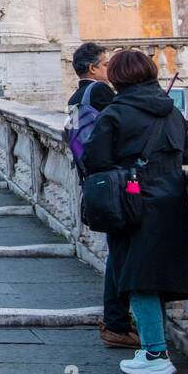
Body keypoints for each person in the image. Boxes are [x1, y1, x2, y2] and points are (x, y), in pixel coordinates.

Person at [82, 49, 188, 374]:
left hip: (133, 201)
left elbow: (95, 159)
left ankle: (155, 353)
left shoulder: (115, 112)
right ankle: (153, 345)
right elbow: (187, 154)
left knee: (139, 278)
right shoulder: (172, 112)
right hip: (170, 198)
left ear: (118, 78)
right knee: (155, 275)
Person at [67, 41, 133, 349]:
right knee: (120, 254)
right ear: (93, 68)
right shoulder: (101, 93)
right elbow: (119, 131)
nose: (109, 69)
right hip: (113, 179)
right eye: (105, 64)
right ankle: (116, 321)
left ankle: (118, 320)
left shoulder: (74, 97)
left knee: (116, 251)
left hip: (91, 180)